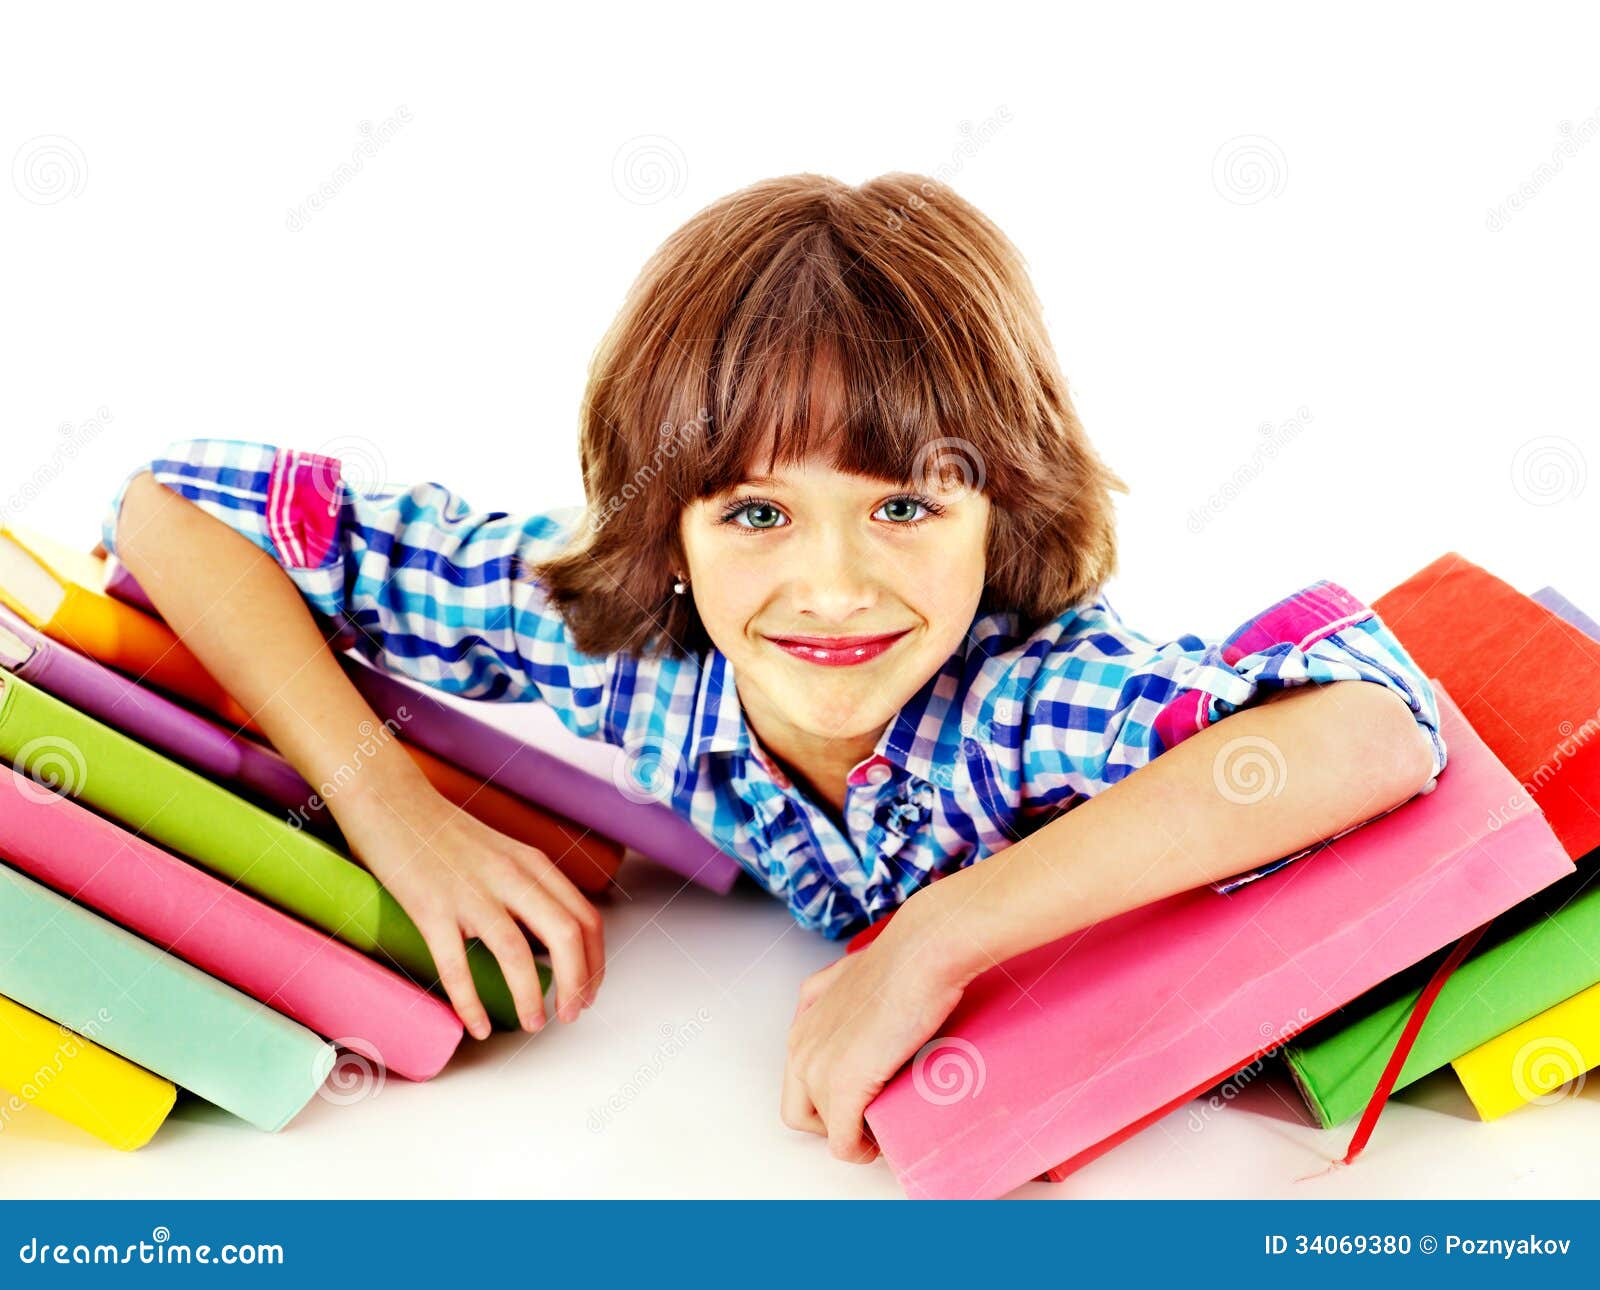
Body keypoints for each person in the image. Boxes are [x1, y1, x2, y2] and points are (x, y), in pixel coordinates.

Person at [103, 171, 1443, 1165]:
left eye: (907, 507)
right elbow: (175, 507)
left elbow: (1375, 732)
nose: (836, 587)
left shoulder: (1026, 698)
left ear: (1006, 513)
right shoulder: (633, 649)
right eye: (756, 513)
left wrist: (938, 936)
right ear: (665, 531)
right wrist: (391, 809)